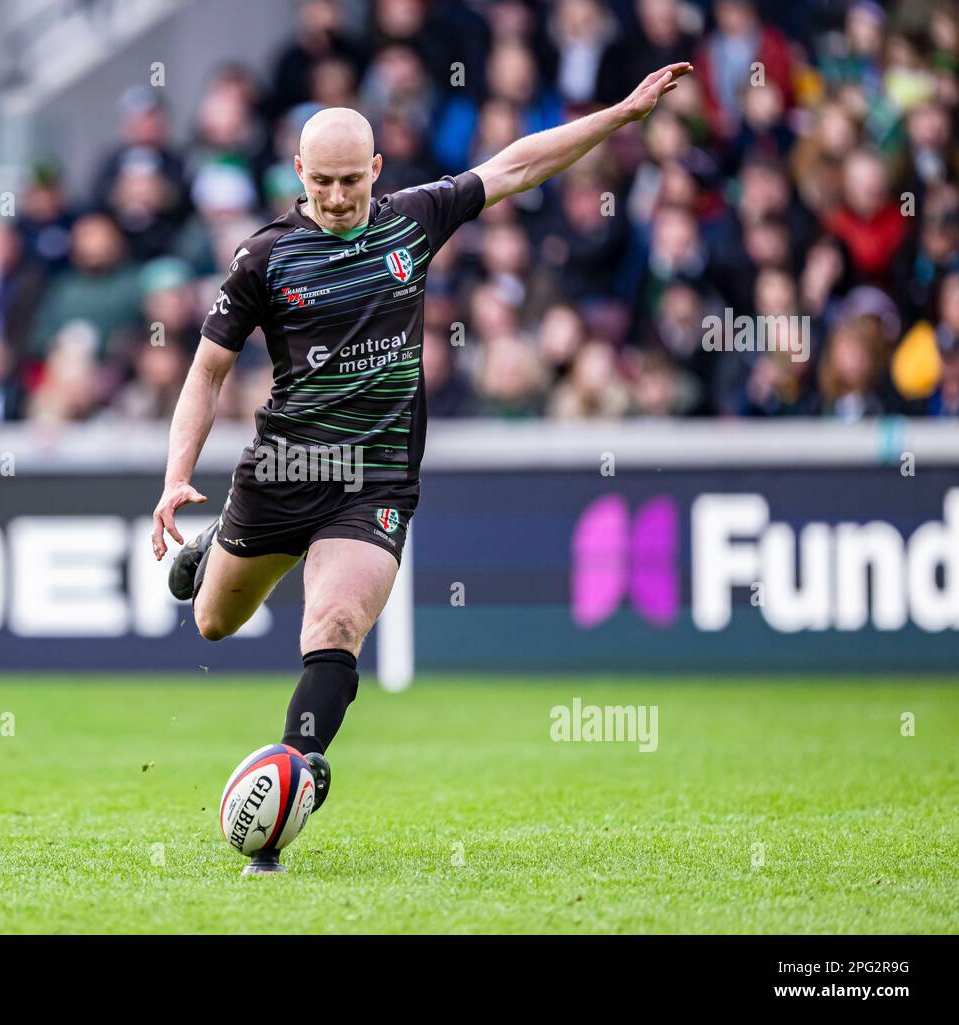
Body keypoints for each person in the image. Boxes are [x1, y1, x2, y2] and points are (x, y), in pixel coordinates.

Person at [150, 64, 693, 874]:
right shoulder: (263, 259)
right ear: (299, 174)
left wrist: (620, 113)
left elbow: (516, 164)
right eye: (322, 182)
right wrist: (175, 476)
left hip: (374, 482)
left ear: (376, 170)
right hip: (282, 469)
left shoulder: (413, 220)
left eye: (351, 181)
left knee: (333, 629)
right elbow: (206, 373)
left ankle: (294, 778)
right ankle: (216, 548)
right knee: (213, 624)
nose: (337, 197)